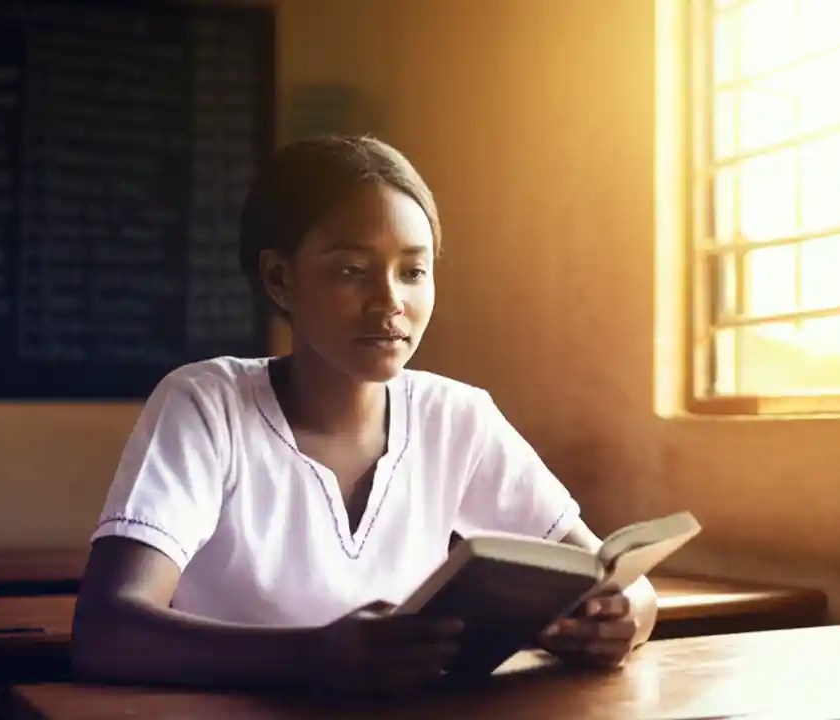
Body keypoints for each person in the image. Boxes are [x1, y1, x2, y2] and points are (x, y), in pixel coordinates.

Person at [71, 135, 658, 694]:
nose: (390, 301)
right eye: (352, 270)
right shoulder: (207, 404)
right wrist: (310, 659)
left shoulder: (458, 418)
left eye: (413, 271)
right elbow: (107, 631)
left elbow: (611, 574)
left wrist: (627, 614)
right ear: (280, 278)